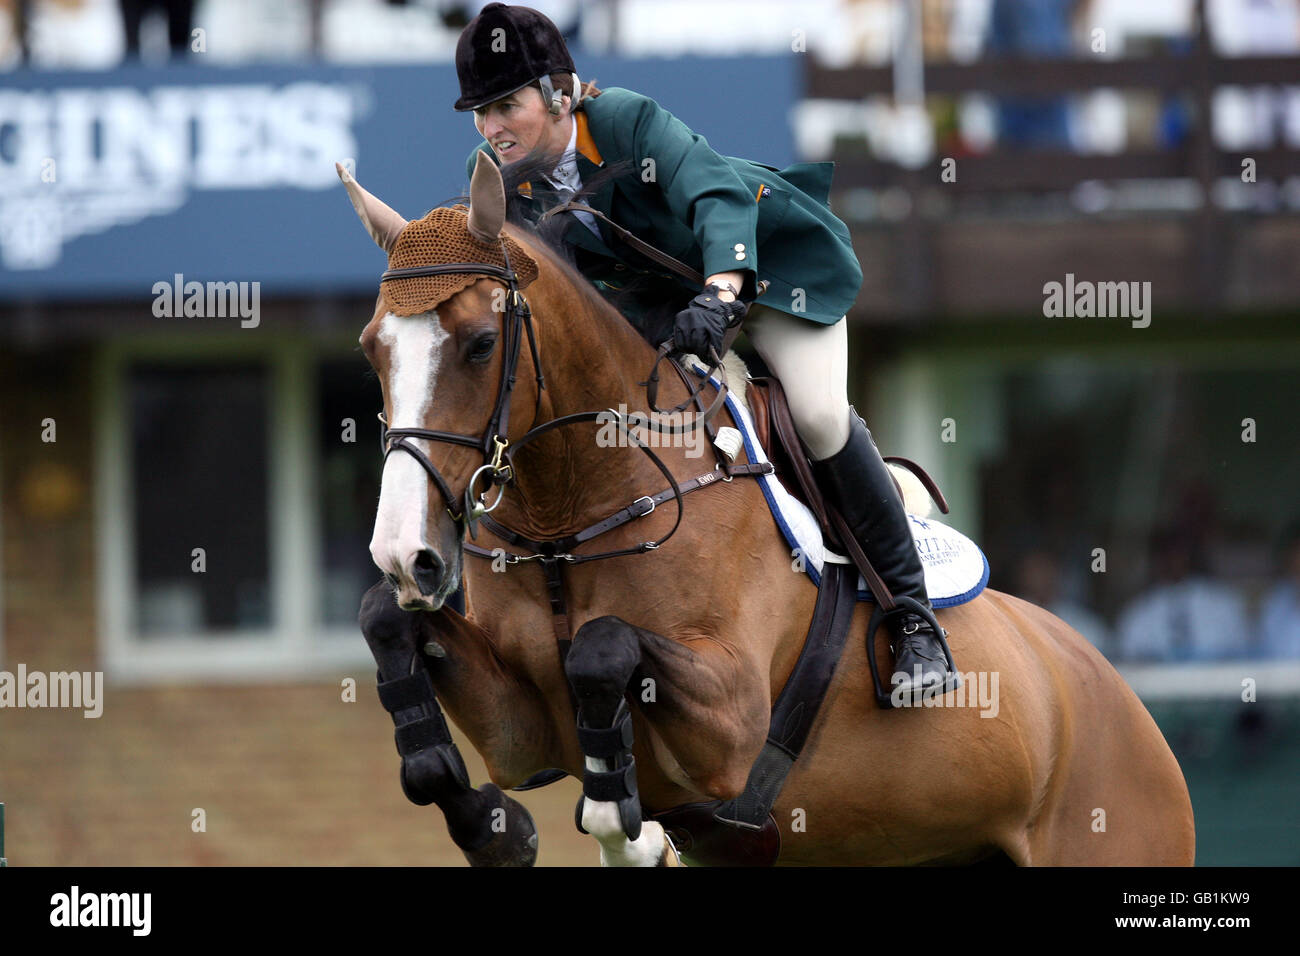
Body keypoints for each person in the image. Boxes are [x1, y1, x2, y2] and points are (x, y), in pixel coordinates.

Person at [451, 3, 959, 701]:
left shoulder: (625, 120)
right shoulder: (503, 185)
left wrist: (722, 295)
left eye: (506, 105)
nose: (491, 129)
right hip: (666, 314)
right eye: (479, 113)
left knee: (815, 417)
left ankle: (913, 618)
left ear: (560, 94)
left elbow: (715, 193)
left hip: (772, 276)